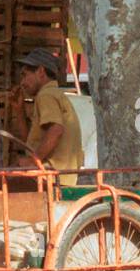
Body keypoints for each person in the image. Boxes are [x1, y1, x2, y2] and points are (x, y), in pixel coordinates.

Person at [5, 48, 82, 185]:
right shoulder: (53, 94)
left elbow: (56, 130)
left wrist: (34, 161)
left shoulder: (46, 95)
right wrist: (19, 110)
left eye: (24, 75)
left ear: (40, 72)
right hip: (60, 177)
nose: (22, 82)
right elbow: (30, 144)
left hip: (51, 177)